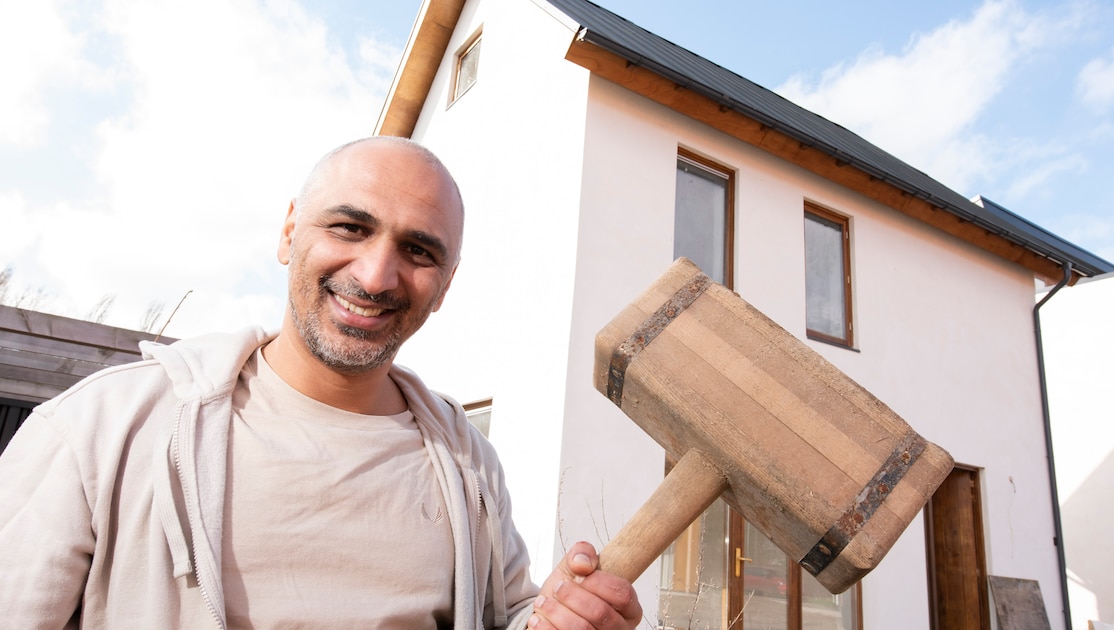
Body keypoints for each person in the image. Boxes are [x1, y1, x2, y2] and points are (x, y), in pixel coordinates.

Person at [0, 136, 642, 629]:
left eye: (419, 251)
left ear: (445, 285)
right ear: (288, 233)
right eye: (349, 228)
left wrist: (556, 617)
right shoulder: (97, 431)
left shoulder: (468, 463)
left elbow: (506, 615)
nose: (376, 275)